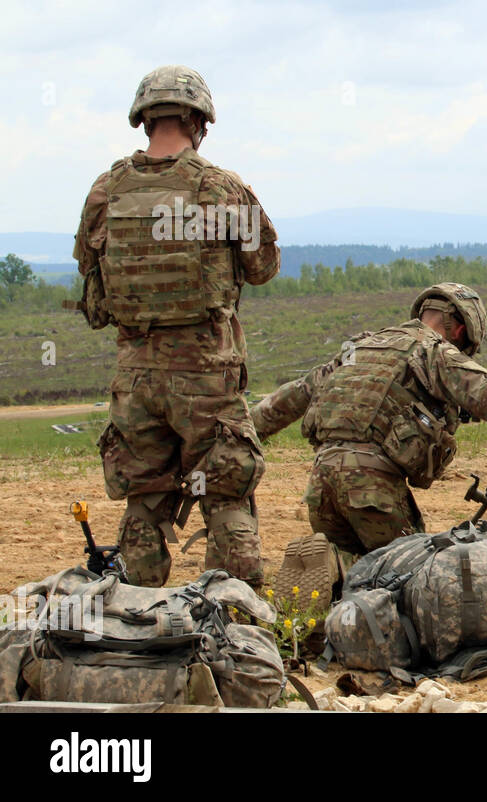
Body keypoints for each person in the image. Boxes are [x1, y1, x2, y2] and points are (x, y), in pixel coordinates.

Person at [71, 65, 279, 588]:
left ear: (144, 120)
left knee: (144, 499)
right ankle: (237, 625)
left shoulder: (107, 190)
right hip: (206, 377)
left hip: (136, 378)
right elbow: (262, 268)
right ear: (198, 120)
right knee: (225, 492)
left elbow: (94, 299)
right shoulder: (221, 189)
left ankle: (135, 621)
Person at [251, 283, 487, 556]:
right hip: (370, 488)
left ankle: (328, 614)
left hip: (320, 484)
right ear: (459, 330)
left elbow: (292, 397)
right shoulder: (434, 352)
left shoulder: (361, 347)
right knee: (407, 573)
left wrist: (240, 434)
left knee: (351, 574)